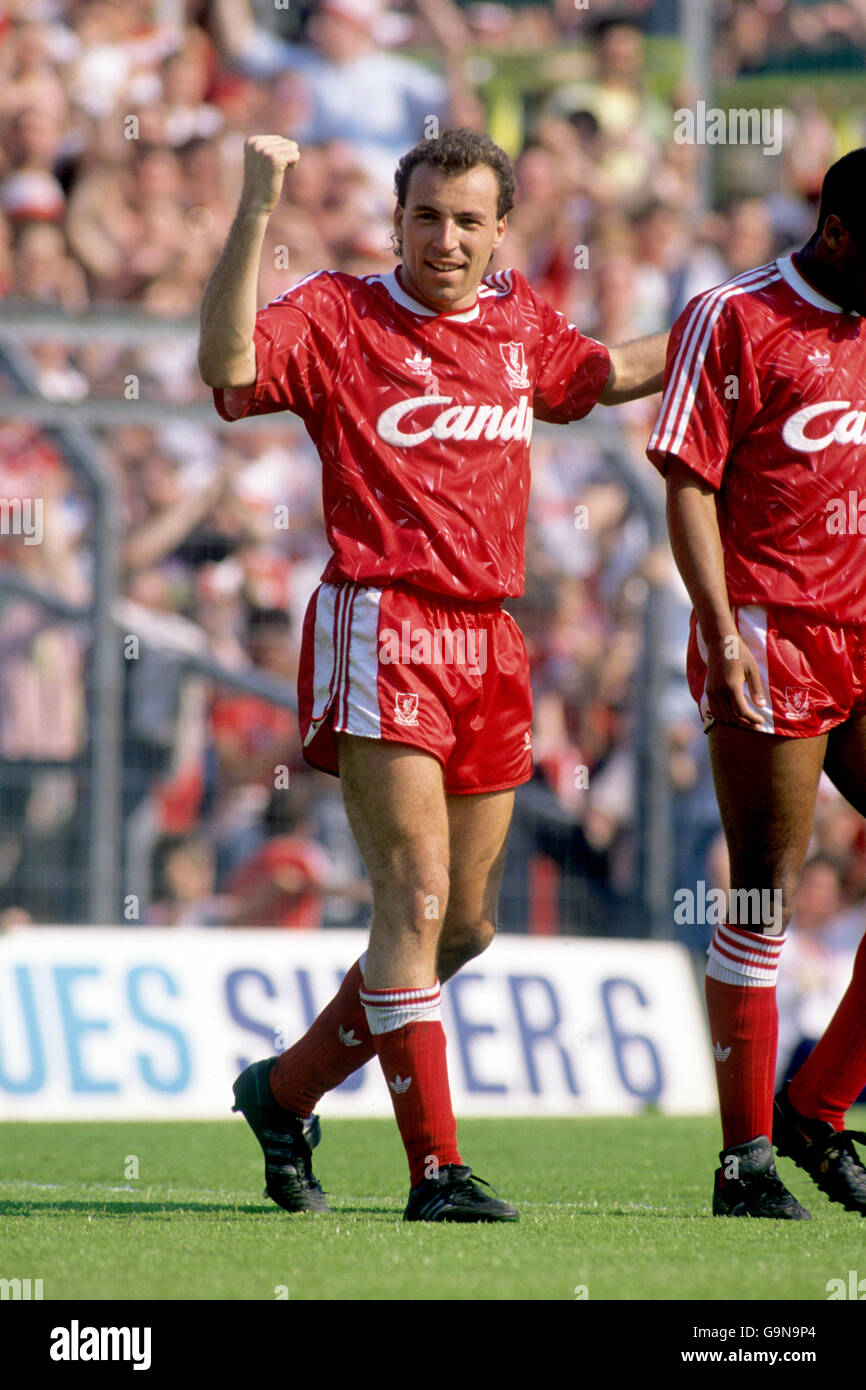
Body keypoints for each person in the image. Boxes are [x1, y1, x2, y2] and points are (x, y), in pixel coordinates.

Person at [199, 126, 666, 1221]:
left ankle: (284, 1091)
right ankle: (436, 1172)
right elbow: (224, 368)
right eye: (424, 216)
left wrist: (733, 317)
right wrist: (255, 207)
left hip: (492, 644)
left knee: (463, 927)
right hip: (383, 624)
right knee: (408, 898)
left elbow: (605, 375)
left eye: (466, 220)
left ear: (501, 232)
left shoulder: (517, 322)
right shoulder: (336, 314)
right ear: (395, 220)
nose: (443, 239)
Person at [648, 148, 866, 1220]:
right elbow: (686, 480)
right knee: (761, 886)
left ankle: (816, 1108)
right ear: (836, 234)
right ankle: (742, 1159)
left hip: (865, 630)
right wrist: (718, 624)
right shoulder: (734, 315)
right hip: (771, 628)